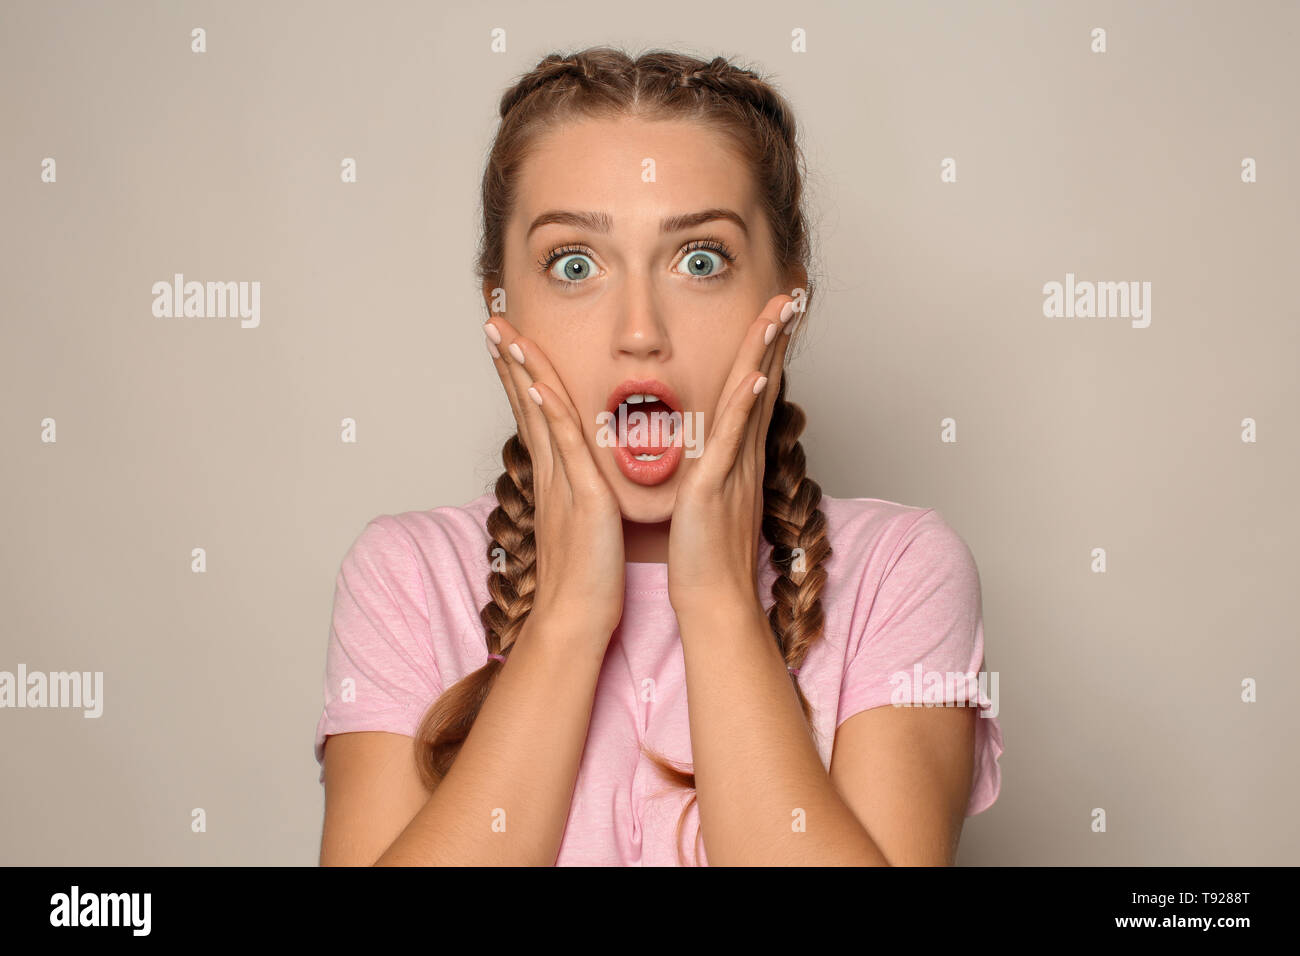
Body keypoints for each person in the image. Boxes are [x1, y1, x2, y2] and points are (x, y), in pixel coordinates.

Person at [314, 46, 1003, 866]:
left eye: (700, 260)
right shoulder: (404, 577)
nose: (640, 330)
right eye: (574, 265)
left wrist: (715, 601)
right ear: (499, 307)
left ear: (786, 302)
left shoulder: (902, 573)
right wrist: (567, 619)